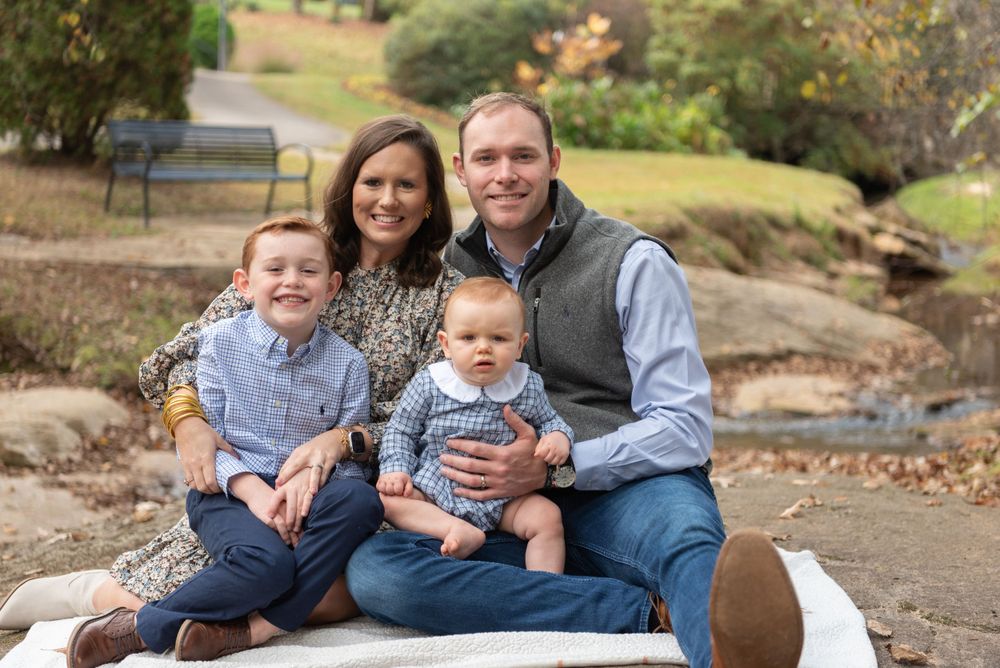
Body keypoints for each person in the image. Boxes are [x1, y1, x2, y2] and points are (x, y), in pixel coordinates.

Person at [343, 93, 804, 668]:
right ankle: (645, 613)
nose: (505, 175)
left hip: (630, 493)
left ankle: (730, 652)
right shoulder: (446, 272)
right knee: (381, 572)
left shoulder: (632, 261)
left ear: (554, 161)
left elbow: (684, 428)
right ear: (461, 172)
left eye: (523, 156)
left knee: (685, 542)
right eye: (486, 159)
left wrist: (561, 465)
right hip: (497, 514)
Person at [0, 115, 463, 632]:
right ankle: (96, 594)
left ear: (429, 200)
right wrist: (189, 422)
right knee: (253, 570)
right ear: (349, 187)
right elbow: (182, 355)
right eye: (372, 181)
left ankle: (231, 631)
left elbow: (434, 416)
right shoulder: (299, 257)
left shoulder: (445, 295)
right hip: (250, 473)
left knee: (342, 592)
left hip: (355, 488)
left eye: (407, 185)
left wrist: (343, 441)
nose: (387, 199)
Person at [65, 215, 385, 667]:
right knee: (268, 567)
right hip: (227, 492)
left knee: (361, 500)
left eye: (308, 271)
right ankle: (141, 628)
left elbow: (350, 464)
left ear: (331, 287)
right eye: (275, 269)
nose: (291, 281)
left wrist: (304, 490)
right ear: (244, 284)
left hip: (308, 494)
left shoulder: (348, 364)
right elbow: (208, 445)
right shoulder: (217, 345)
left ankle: (258, 629)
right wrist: (255, 492)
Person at [377, 277, 571, 571]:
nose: (483, 348)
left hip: (504, 498)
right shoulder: (431, 383)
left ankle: (544, 587)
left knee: (547, 517)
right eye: (468, 338)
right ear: (446, 344)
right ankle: (454, 529)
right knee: (388, 501)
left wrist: (557, 438)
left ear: (520, 345)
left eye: (498, 339)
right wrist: (396, 468)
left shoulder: (526, 385)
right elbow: (401, 430)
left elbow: (549, 420)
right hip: (437, 489)